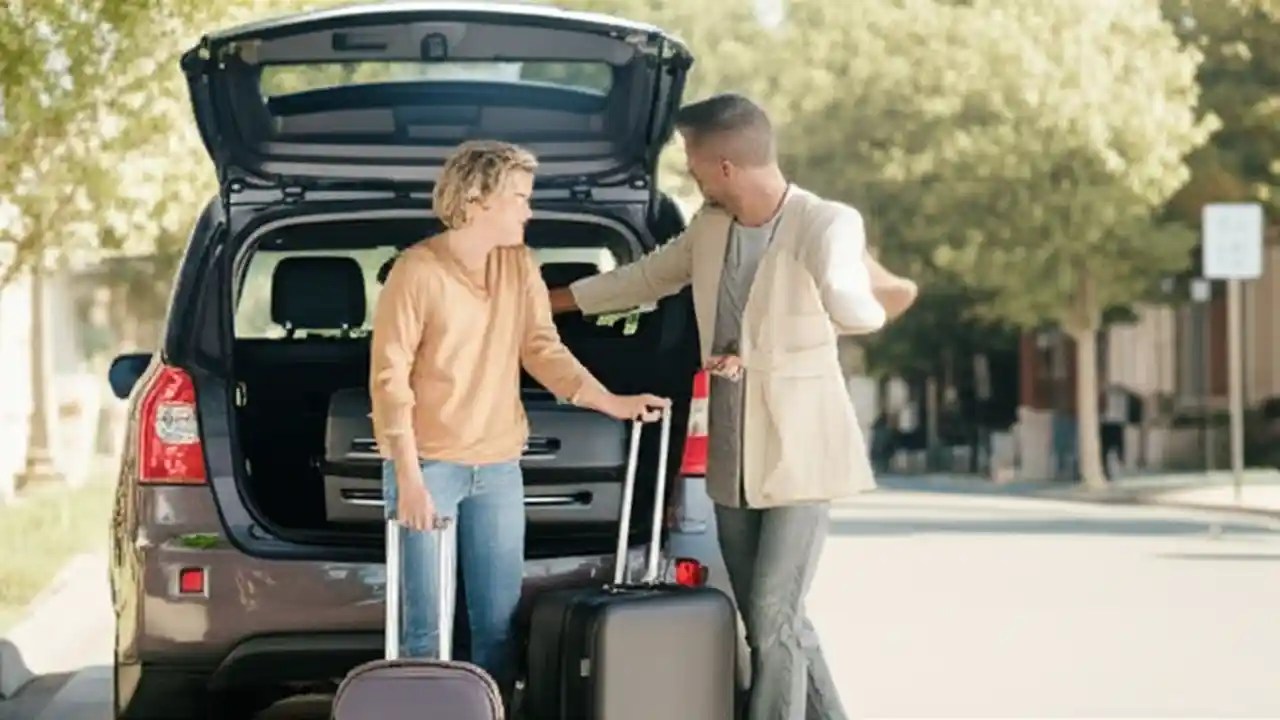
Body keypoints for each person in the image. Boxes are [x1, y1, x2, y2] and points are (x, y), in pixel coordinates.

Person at [547, 94, 918, 720]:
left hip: (801, 455)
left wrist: (861, 294)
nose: (689, 172)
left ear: (723, 166)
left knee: (774, 615)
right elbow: (638, 280)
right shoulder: (711, 227)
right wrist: (537, 303)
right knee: (768, 619)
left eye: (692, 160)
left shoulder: (821, 223)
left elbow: (857, 306)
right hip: (733, 454)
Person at [369, 140, 670, 699]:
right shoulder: (416, 272)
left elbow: (542, 349)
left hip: (500, 466)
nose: (529, 211)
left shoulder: (519, 265)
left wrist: (612, 401)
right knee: (423, 631)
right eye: (519, 198)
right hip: (430, 468)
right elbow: (389, 381)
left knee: (498, 628)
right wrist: (408, 478)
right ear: (479, 198)